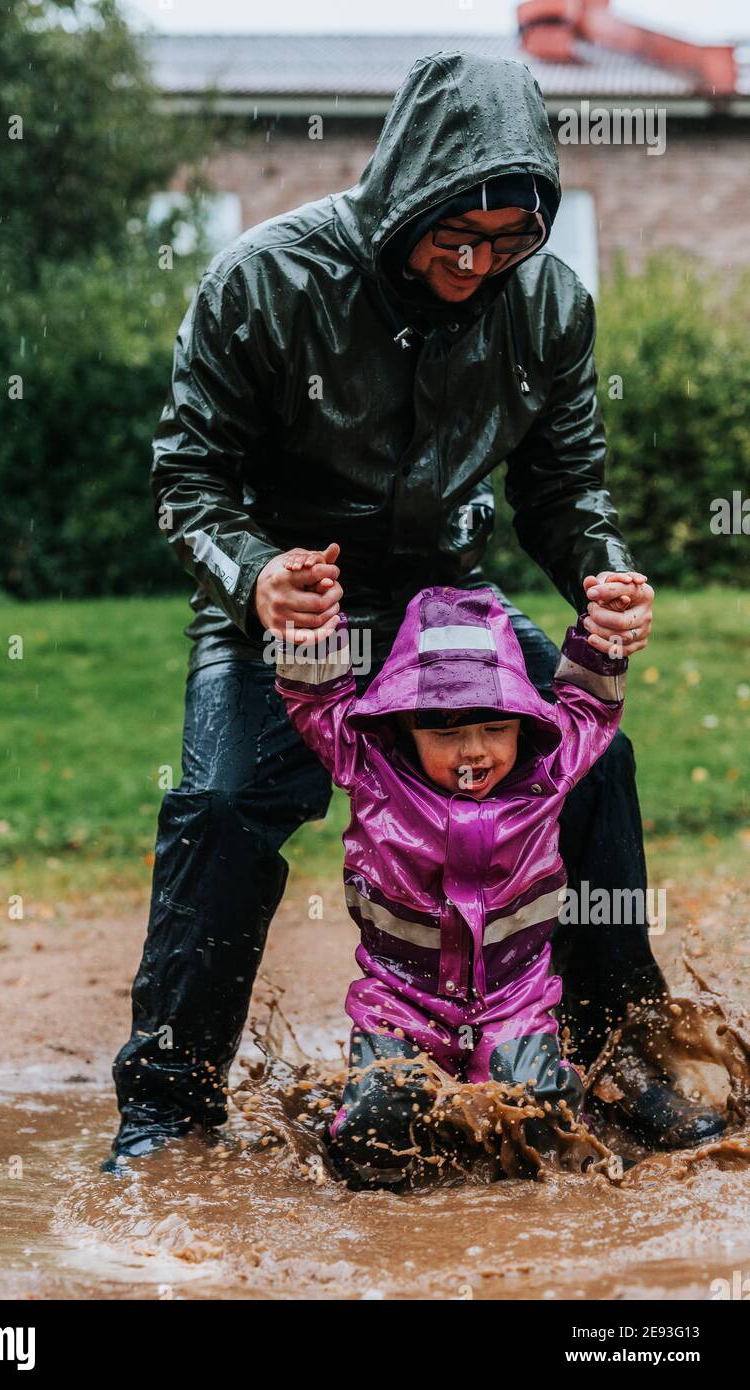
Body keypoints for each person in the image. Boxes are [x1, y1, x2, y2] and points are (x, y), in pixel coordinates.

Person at [102, 51, 720, 1171]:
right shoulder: (264, 279)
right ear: (408, 192)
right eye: (457, 235)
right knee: (227, 798)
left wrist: (601, 572)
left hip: (449, 609)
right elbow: (187, 478)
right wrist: (256, 574)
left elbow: (564, 488)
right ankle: (168, 1100)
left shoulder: (547, 304)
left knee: (593, 766)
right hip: (295, 603)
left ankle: (615, 1055)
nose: (477, 263)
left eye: (508, 239)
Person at [273, 579, 629, 1186]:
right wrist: (310, 634)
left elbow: (590, 705)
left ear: (524, 723)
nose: (474, 752)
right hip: (401, 1002)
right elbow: (318, 705)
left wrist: (605, 638)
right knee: (379, 1128)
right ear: (404, 728)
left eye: (496, 728)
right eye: (444, 733)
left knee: (538, 1120)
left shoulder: (550, 769)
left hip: (515, 999)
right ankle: (353, 1151)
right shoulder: (370, 767)